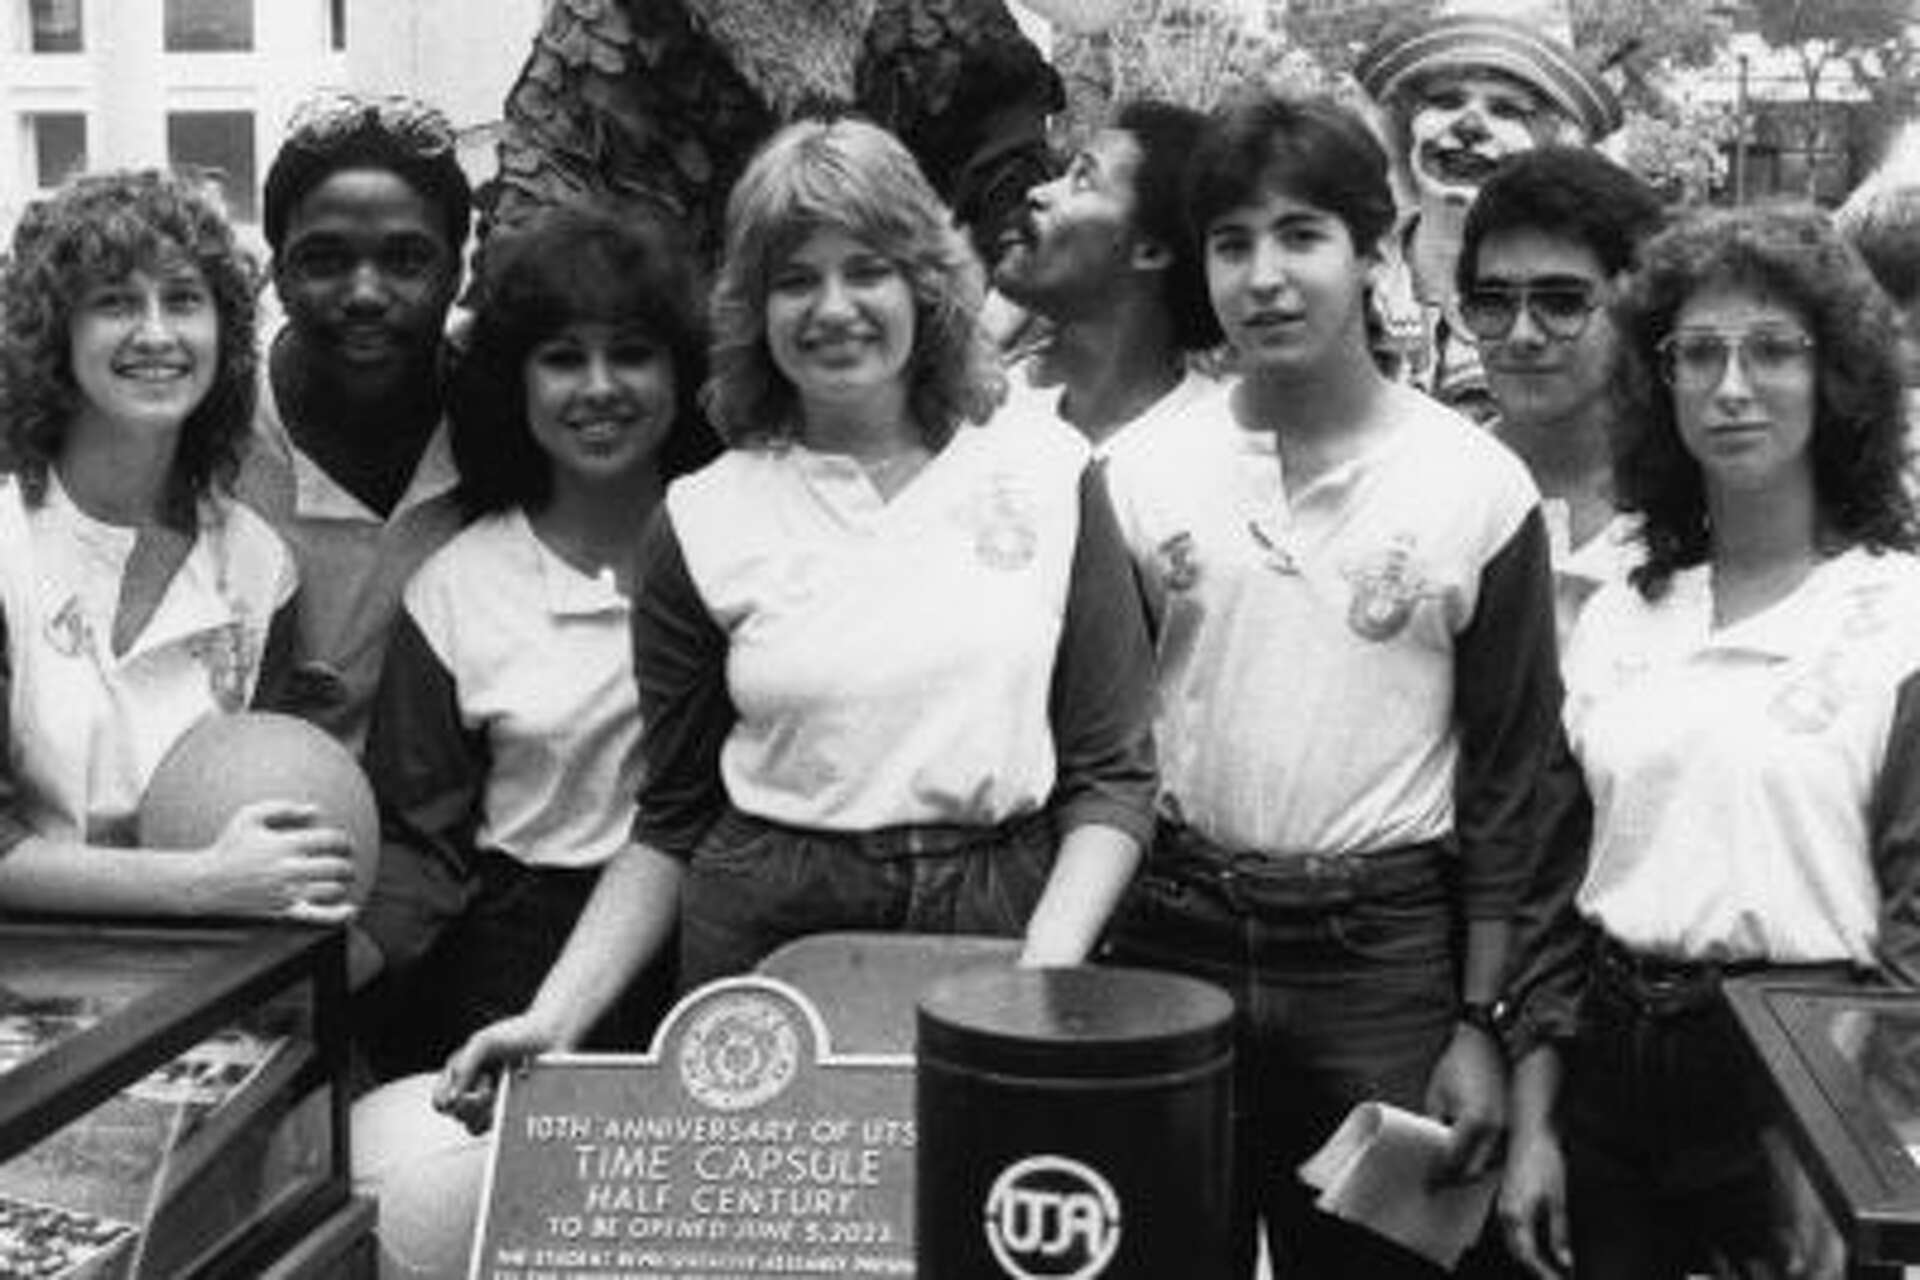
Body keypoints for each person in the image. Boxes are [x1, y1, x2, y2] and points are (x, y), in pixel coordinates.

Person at [436, 116, 1157, 1130]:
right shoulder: (701, 516)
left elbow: (1113, 776)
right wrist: (554, 1014)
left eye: (867, 269)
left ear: (924, 281)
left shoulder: (1046, 470)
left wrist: (1040, 977)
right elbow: (673, 819)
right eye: (793, 279)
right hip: (770, 937)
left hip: (1005, 922)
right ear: (753, 305)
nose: (833, 308)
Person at [1098, 94, 1563, 1279]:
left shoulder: (1477, 487)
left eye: (1301, 235)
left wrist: (1481, 1019)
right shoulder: (1139, 471)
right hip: (1175, 925)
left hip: (1384, 955)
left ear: (1374, 251)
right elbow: (1098, 744)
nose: (1266, 276)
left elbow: (1514, 776)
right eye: (1232, 243)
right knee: (1149, 1252)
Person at [1498, 205, 1920, 1279]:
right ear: (1661, 378)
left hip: (1799, 1065)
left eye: (1773, 349)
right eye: (1699, 352)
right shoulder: (1619, 613)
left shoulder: (1897, 614)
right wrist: (1538, 1122)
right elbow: (1556, 887)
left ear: (1840, 376)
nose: (1733, 386)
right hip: (1611, 1058)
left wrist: (1862, 1146)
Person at [351, 207, 719, 1080]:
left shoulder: (738, 544)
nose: (598, 388)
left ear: (682, 371)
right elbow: (419, 846)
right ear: (514, 384)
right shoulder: (459, 587)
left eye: (630, 353)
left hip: (724, 950)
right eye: (562, 359)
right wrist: (320, 983)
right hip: (521, 973)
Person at [0, 169, 356, 921]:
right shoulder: (8, 545)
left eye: (184, 300)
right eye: (116, 303)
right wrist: (202, 883)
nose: (157, 333)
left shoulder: (260, 567)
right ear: (53, 335)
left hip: (209, 996)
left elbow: (267, 815)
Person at [480, 0, 1062, 270]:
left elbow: (1010, 173)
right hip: (689, 417)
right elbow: (537, 215)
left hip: (910, 398)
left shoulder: (941, 15)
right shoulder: (611, 20)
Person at [236, 91, 472, 754]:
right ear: (278, 275)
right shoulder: (207, 427)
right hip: (240, 818)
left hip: (452, 825)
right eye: (325, 260)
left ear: (456, 273)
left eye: (405, 260)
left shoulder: (511, 412)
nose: (365, 293)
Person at [1356, 6, 1622, 420]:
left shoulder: (1583, 304)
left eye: (1506, 110)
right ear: (1406, 123)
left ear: (1554, 142)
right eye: (1445, 100)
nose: (1470, 126)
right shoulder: (1352, 276)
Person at [1455, 147, 1665, 646]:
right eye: (1493, 303)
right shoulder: (1434, 490)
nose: (1522, 334)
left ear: (1636, 304)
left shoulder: (1712, 505)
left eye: (1561, 302)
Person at [991, 97, 1221, 457]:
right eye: (1064, 173)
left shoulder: (1213, 453)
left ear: (1151, 251)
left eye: (1083, 180)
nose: (1037, 192)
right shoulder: (972, 405)